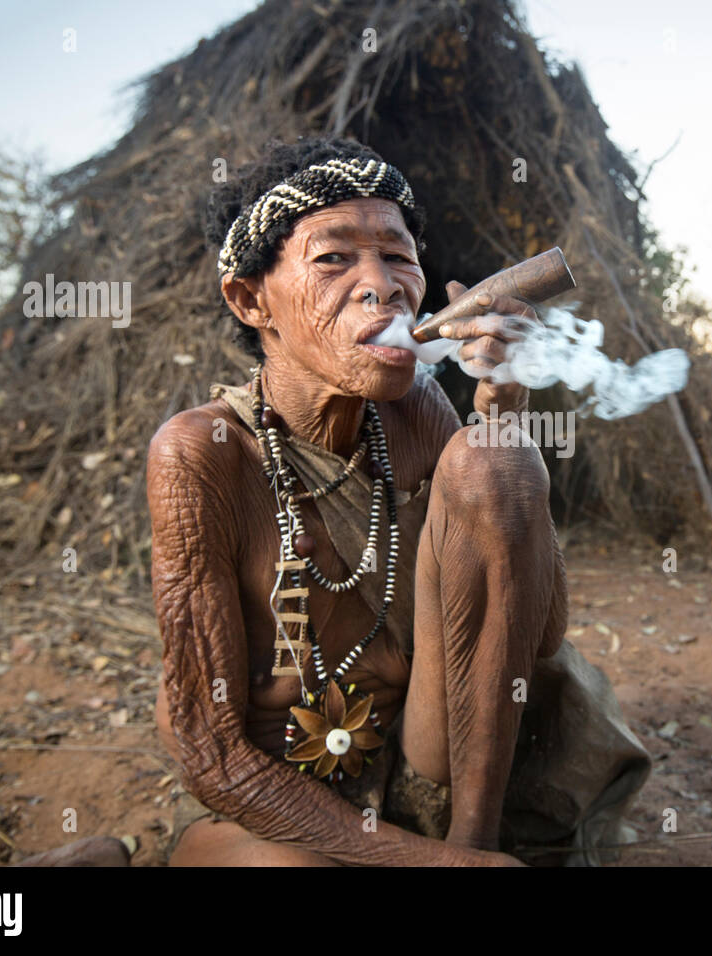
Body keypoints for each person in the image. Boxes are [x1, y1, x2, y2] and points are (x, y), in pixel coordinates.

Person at [146, 136, 647, 867]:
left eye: (398, 256)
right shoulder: (200, 456)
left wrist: (502, 409)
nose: (383, 285)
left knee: (495, 458)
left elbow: (538, 639)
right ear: (252, 300)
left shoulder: (416, 417)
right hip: (284, 807)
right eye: (335, 257)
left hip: (423, 766)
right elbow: (211, 755)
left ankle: (474, 833)